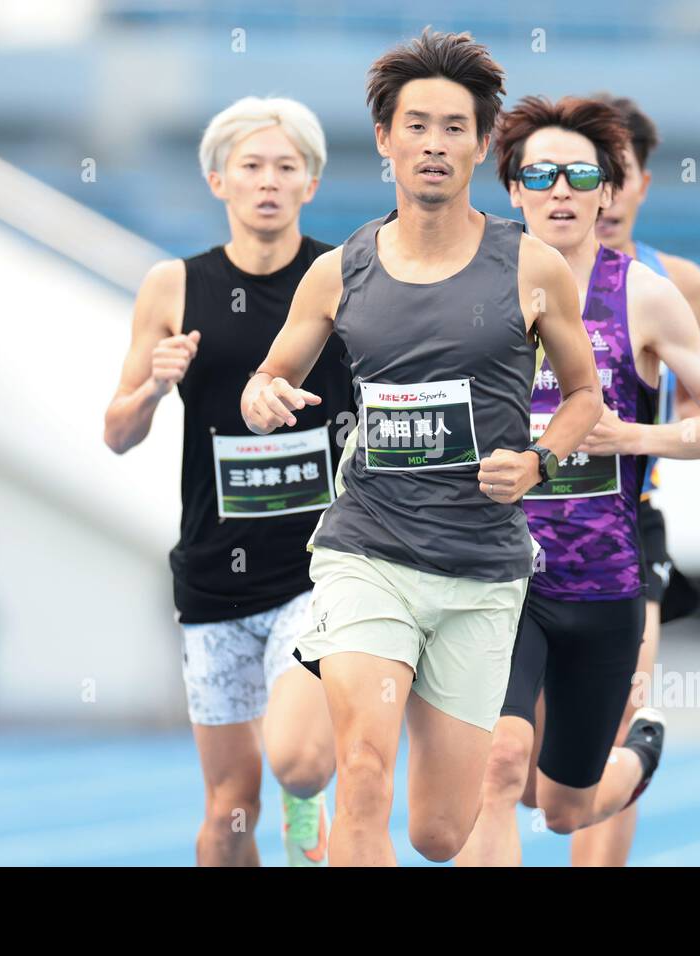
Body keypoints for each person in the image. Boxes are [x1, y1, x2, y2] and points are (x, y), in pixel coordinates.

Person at [240, 29, 602, 866]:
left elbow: (586, 396)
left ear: (481, 143)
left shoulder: (534, 267)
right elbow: (271, 376)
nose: (433, 144)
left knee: (440, 834)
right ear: (385, 140)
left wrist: (539, 461)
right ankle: (341, 663)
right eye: (416, 126)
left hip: (480, 569)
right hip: (368, 549)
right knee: (361, 770)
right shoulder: (339, 271)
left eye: (452, 128)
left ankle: (338, 670)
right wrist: (265, 398)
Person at [455, 95, 700, 865]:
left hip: (605, 575)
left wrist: (632, 435)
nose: (560, 189)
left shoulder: (646, 293)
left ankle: (640, 752)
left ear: (607, 190)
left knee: (560, 809)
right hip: (503, 575)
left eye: (579, 173)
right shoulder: (479, 287)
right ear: (513, 186)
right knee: (498, 765)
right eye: (539, 173)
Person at [104, 96, 352, 867]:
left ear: (311, 183)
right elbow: (116, 432)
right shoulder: (172, 287)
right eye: (252, 166)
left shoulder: (342, 278)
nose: (268, 182)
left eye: (287, 167)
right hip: (214, 577)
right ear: (219, 180)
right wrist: (152, 386)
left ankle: (306, 803)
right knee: (228, 813)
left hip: (319, 571)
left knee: (301, 763)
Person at [574, 92, 700, 866]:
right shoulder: (531, 269)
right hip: (527, 524)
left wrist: (640, 433)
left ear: (642, 183)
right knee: (518, 745)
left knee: (620, 707)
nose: (609, 191)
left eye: (621, 173)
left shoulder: (676, 282)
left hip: (630, 519)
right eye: (594, 172)